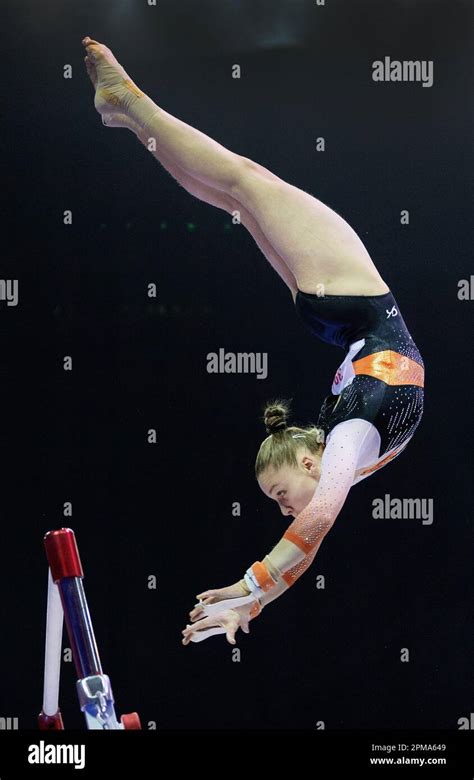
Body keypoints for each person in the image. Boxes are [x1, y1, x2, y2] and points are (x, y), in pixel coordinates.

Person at [81, 37, 425, 646]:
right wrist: (252, 595)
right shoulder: (347, 445)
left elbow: (310, 534)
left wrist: (250, 593)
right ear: (307, 463)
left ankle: (129, 111)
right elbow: (315, 525)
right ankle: (129, 104)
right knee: (240, 181)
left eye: (275, 498)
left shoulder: (339, 452)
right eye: (279, 493)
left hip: (345, 309)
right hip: (354, 301)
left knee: (239, 193)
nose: (282, 506)